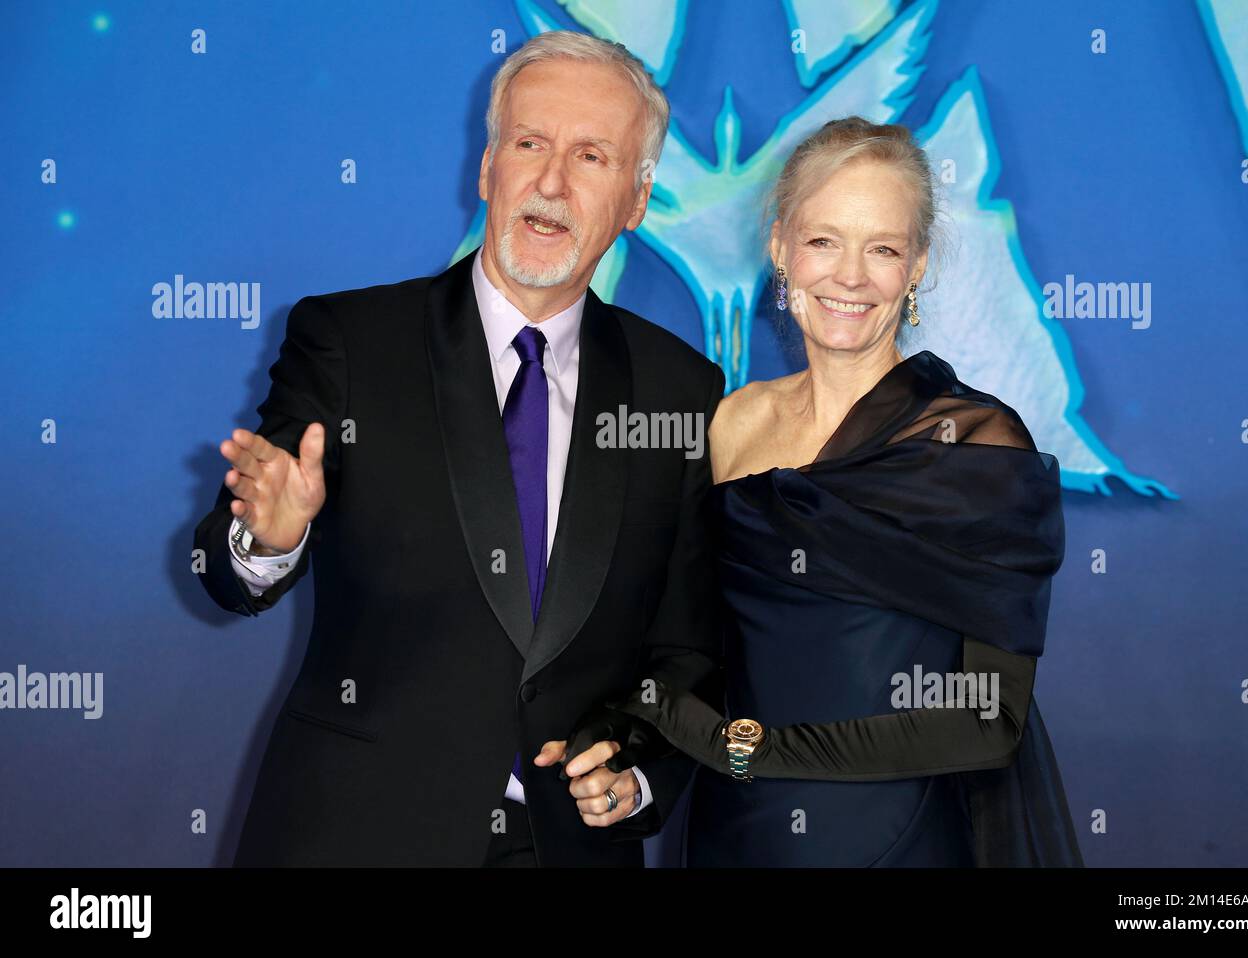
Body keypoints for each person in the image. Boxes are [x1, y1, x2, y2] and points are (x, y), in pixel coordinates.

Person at [193, 31, 724, 867]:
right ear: (487, 168)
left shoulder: (680, 391)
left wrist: (641, 769)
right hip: (352, 839)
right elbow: (224, 573)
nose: (551, 183)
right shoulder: (348, 341)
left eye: (591, 157)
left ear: (637, 199)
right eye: (528, 144)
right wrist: (272, 536)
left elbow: (686, 647)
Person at [612, 117, 1084, 866]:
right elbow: (690, 646)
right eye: (824, 240)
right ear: (780, 247)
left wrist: (753, 749)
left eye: (884, 248)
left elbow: (988, 719)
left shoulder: (979, 445)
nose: (852, 276)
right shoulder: (731, 424)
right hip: (740, 831)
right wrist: (642, 731)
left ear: (918, 265)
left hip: (898, 836)